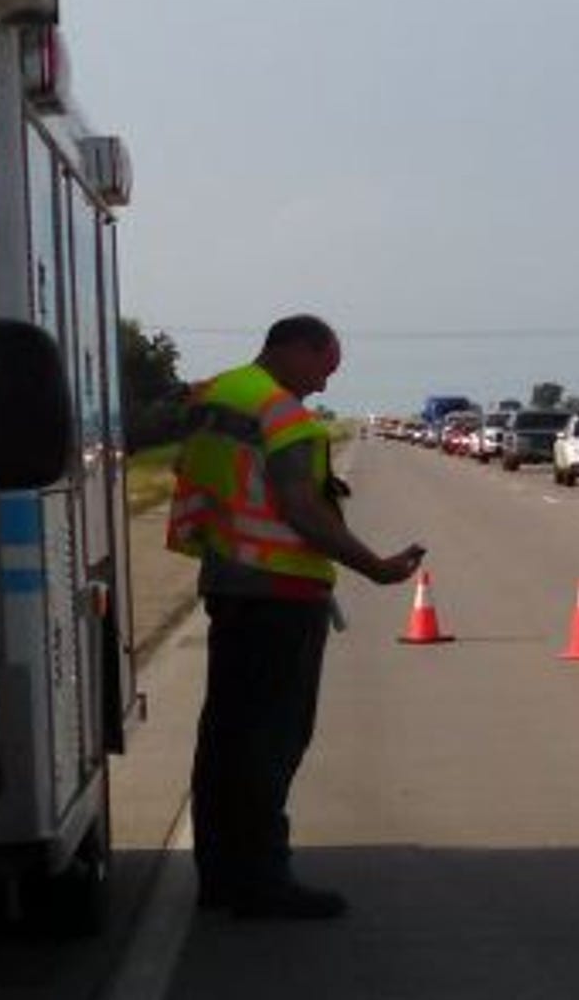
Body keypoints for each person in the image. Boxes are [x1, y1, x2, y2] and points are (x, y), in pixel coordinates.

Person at [165, 315, 425, 920]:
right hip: (278, 594)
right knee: (270, 741)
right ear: (296, 349)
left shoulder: (213, 397)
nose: (324, 386)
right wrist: (376, 567)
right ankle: (262, 879)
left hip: (228, 582)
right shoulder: (282, 415)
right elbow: (302, 509)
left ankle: (221, 876)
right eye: (323, 369)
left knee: (225, 741)